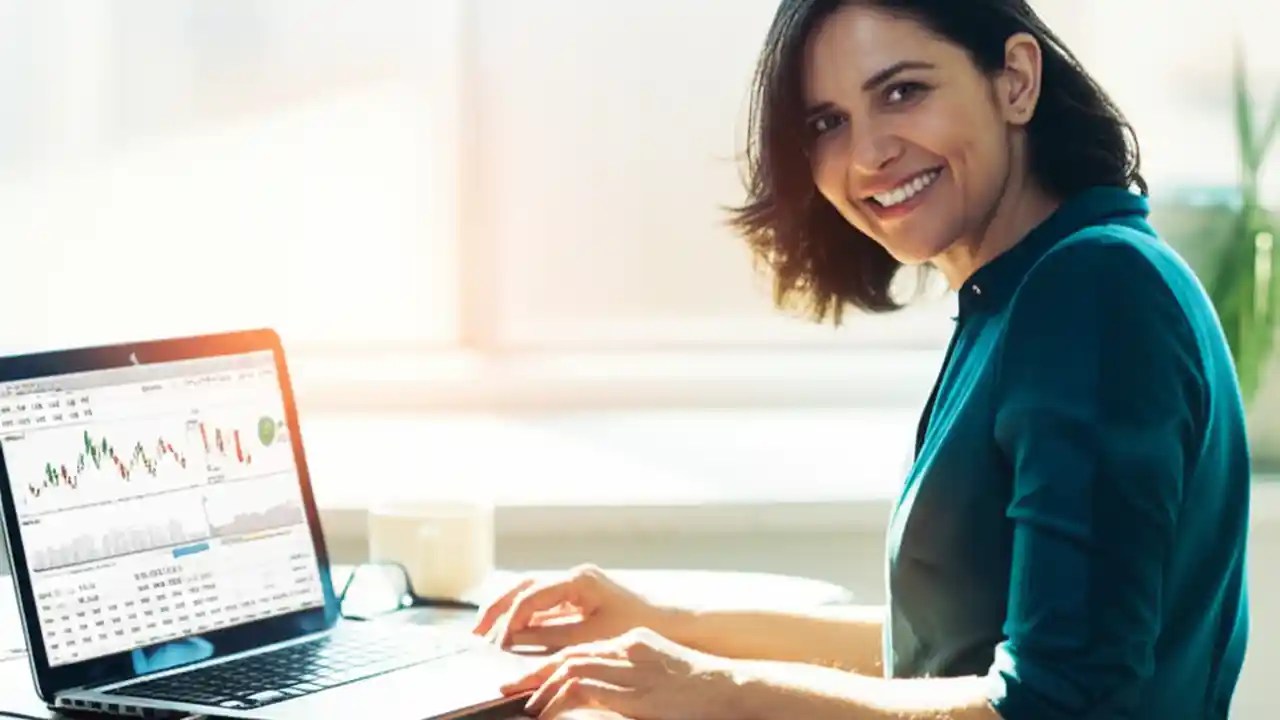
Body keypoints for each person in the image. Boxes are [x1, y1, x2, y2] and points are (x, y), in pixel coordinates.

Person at [473, 1, 1252, 718]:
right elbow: (944, 648)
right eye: (827, 122)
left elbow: (1055, 703)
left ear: (1015, 80)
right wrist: (667, 624)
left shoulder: (1091, 291)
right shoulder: (1024, 292)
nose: (868, 154)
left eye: (904, 91)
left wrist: (713, 690)